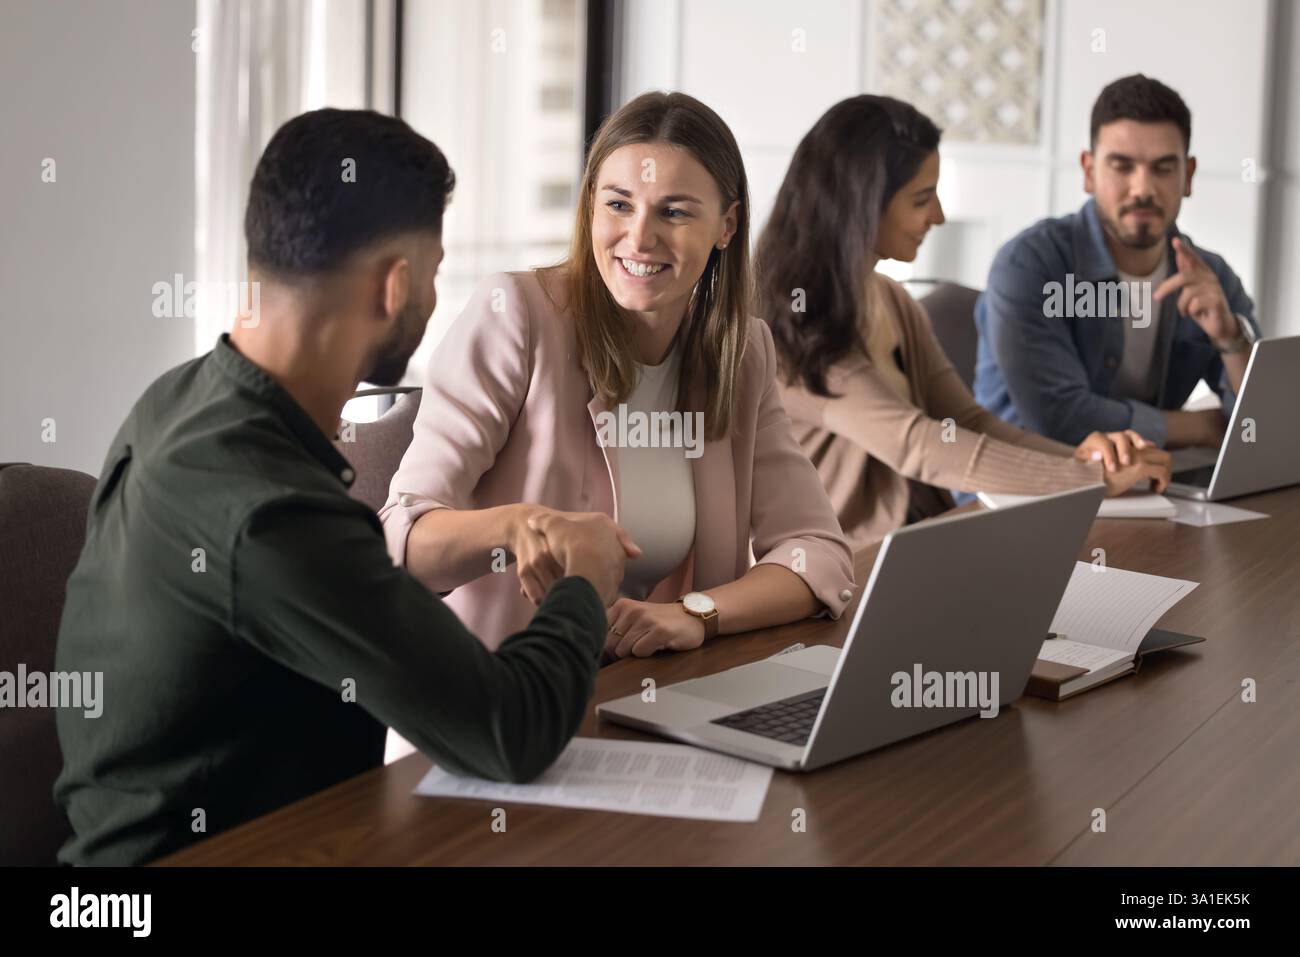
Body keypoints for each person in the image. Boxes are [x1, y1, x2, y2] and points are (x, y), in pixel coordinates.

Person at [54, 109, 629, 866]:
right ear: (395, 286)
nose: (431, 296)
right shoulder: (271, 509)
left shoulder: (177, 400)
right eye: (433, 271)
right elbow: (509, 731)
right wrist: (584, 581)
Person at [380, 91, 855, 661]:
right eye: (619, 205)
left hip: (652, 696)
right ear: (589, 208)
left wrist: (697, 614)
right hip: (497, 703)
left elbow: (817, 552)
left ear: (727, 226)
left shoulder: (741, 350)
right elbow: (400, 541)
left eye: (674, 212)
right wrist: (521, 527)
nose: (639, 238)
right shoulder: (518, 316)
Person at [755, 95, 1170, 548]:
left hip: (918, 541)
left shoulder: (890, 298)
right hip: (835, 570)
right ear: (863, 205)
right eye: (921, 199)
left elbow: (968, 420)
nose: (938, 216)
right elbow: (917, 444)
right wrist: (1088, 476)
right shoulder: (786, 323)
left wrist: (1090, 463)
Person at [974, 74, 1261, 450]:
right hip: (1023, 490)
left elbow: (1259, 424)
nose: (1142, 189)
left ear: (1187, 176)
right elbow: (1060, 419)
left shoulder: (1209, 276)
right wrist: (1200, 427)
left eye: (1162, 168)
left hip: (1144, 489)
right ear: (1089, 171)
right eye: (1122, 167)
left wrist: (1231, 339)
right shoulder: (1030, 265)